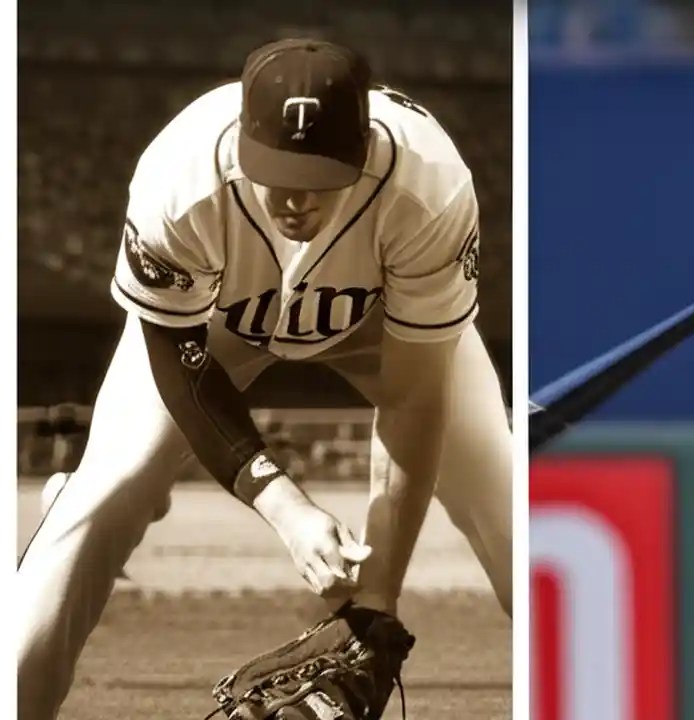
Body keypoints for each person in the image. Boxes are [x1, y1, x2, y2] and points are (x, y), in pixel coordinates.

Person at [16, 39, 512, 720]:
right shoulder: (180, 174)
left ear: (365, 147)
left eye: (317, 175)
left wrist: (376, 604)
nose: (294, 200)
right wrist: (283, 503)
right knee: (107, 492)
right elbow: (180, 363)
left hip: (382, 321)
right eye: (276, 171)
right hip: (212, 324)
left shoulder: (429, 187)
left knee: (509, 504)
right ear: (242, 131)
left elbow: (414, 393)